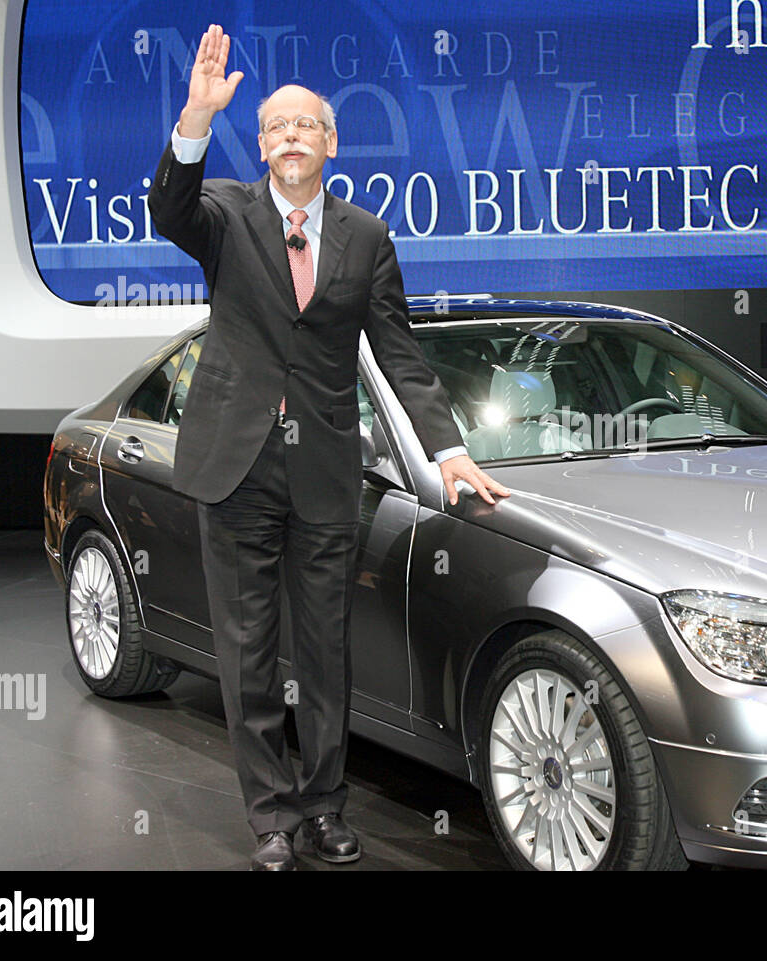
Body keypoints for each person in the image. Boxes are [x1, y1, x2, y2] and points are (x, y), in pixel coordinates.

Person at [147, 23, 510, 871]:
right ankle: (270, 816)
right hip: (234, 467)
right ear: (262, 144)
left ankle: (321, 809)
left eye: (303, 125)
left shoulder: (367, 237)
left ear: (330, 143)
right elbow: (169, 207)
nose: (288, 138)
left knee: (323, 651)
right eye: (274, 127)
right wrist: (196, 115)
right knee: (247, 649)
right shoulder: (226, 216)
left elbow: (400, 351)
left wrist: (447, 448)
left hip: (323, 472)